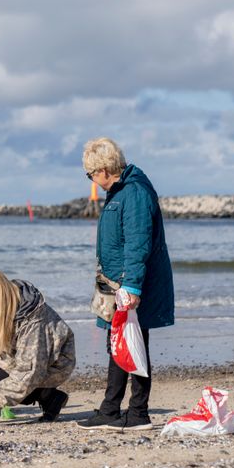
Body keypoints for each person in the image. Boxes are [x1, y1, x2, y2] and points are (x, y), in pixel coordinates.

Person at [77, 137, 174, 431]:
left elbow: (137, 242)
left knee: (134, 344)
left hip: (130, 284)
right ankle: (111, 409)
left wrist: (131, 286)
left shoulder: (134, 193)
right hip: (117, 283)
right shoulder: (119, 192)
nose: (92, 180)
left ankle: (138, 412)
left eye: (90, 174)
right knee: (118, 343)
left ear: (104, 170)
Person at [0, 270, 74, 425]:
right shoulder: (6, 304)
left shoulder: (34, 322)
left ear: (6, 302)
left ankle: (49, 396)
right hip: (21, 354)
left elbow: (29, 372)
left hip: (52, 365)